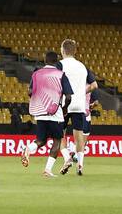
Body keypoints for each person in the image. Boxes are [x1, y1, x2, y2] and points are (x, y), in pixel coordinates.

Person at [21, 50, 73, 179]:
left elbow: (29, 92)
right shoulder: (61, 75)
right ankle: (47, 170)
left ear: (45, 61)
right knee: (57, 141)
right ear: (56, 61)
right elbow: (68, 96)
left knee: (41, 140)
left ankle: (28, 148)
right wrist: (65, 108)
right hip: (55, 113)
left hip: (40, 112)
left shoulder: (36, 74)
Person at [58, 39, 97, 177]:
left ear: (62, 50)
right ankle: (80, 165)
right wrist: (81, 92)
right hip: (79, 105)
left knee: (59, 134)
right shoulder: (82, 66)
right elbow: (94, 85)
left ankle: (67, 157)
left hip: (64, 104)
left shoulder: (59, 65)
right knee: (78, 135)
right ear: (75, 51)